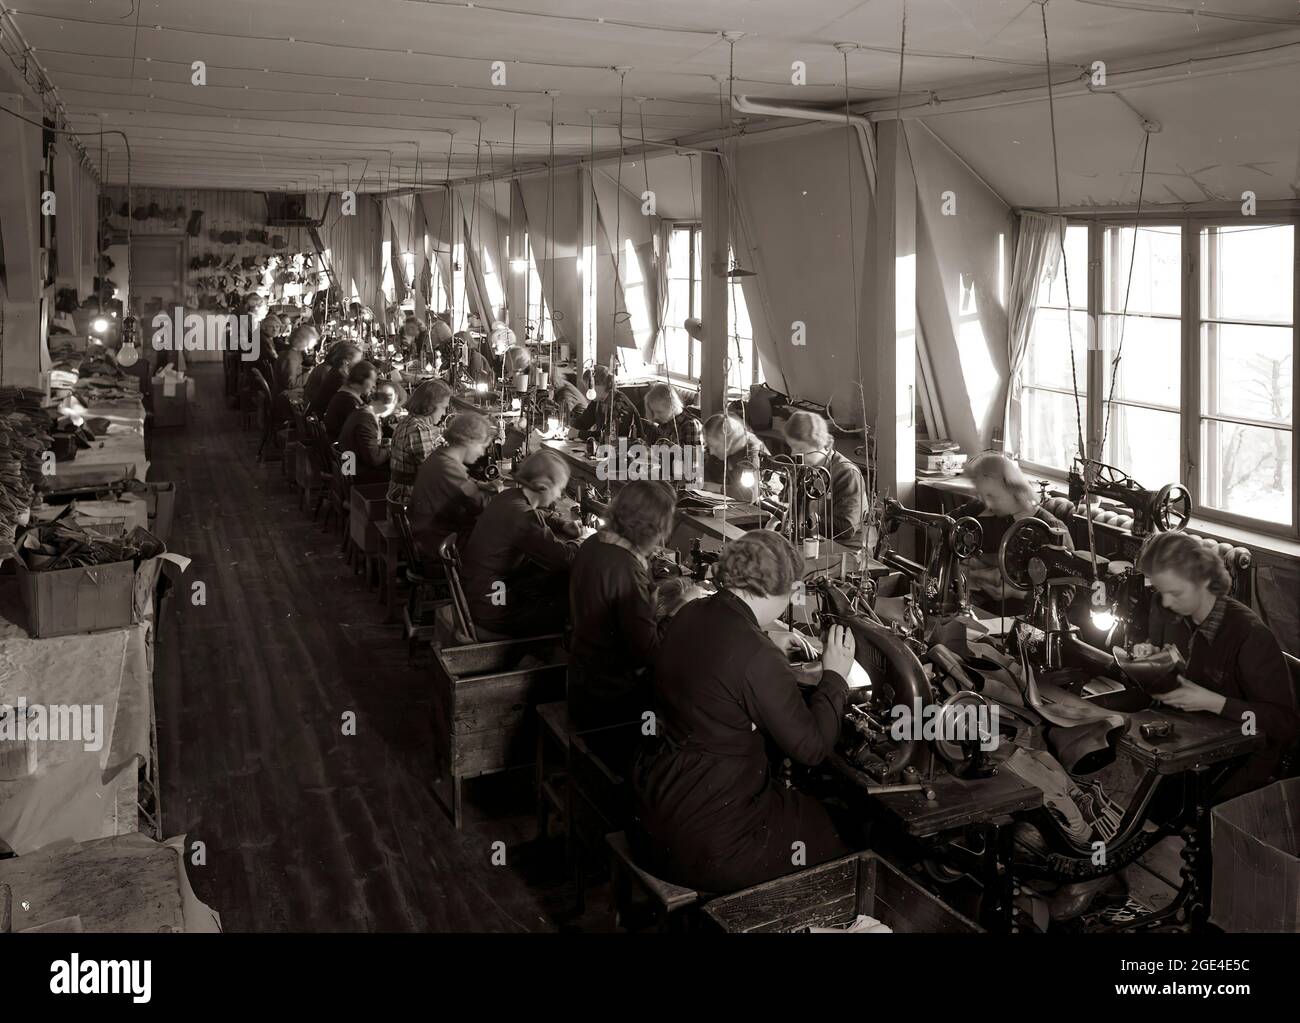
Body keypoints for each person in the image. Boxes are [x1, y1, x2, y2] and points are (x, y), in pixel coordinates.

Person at [631, 530, 860, 893]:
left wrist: (765, 639)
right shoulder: (757, 656)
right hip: (710, 840)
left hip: (656, 809)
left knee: (799, 809)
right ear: (777, 590)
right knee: (836, 832)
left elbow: (718, 653)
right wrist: (835, 676)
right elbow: (812, 749)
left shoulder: (689, 612)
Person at [1135, 532, 1299, 800]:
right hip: (1188, 736)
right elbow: (1170, 656)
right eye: (1160, 591)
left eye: (1174, 592)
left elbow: (1283, 725)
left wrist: (1215, 702)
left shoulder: (1249, 635)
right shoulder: (1169, 607)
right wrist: (1152, 656)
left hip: (1240, 759)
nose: (1165, 602)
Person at [567, 481, 677, 730]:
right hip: (611, 702)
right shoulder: (626, 569)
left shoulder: (593, 543)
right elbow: (648, 654)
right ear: (651, 527)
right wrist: (679, 606)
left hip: (582, 684)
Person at [460, 449, 582, 637]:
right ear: (542, 487)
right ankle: (541, 657)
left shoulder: (508, 496)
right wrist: (581, 540)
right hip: (494, 607)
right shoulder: (523, 517)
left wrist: (562, 523)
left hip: (480, 593)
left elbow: (537, 514)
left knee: (547, 581)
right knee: (569, 601)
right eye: (559, 489)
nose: (559, 496)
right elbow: (564, 559)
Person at [953, 451, 1073, 612]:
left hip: (1024, 618)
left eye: (992, 497)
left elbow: (1064, 595)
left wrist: (1017, 592)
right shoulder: (982, 509)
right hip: (980, 612)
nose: (987, 504)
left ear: (1014, 489)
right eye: (982, 496)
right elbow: (944, 526)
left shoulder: (1051, 528)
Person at [406, 411, 497, 558]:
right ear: (469, 441)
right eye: (482, 446)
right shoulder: (449, 468)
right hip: (438, 543)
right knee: (501, 542)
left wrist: (480, 484)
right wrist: (504, 499)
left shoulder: (440, 456)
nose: (482, 453)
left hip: (426, 532)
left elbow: (460, 485)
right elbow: (478, 504)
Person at [782, 410, 866, 542]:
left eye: (800, 449)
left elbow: (846, 528)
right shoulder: (805, 469)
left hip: (846, 549)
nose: (793, 454)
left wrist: (806, 520)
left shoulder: (846, 473)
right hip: (812, 540)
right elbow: (788, 503)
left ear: (824, 445)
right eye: (792, 448)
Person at [387, 379, 453, 511]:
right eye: (444, 408)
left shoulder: (408, 420)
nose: (444, 414)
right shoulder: (419, 429)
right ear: (430, 406)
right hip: (410, 506)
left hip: (400, 500)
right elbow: (435, 474)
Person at [337, 382, 397, 487]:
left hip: (351, 466)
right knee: (400, 476)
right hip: (357, 473)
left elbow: (364, 443)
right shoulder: (367, 421)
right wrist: (390, 450)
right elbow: (374, 459)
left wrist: (383, 442)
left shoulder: (362, 411)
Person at [702, 412, 769, 504]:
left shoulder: (751, 451)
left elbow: (749, 495)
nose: (712, 452)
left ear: (730, 441)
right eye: (709, 446)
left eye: (715, 447)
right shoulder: (720, 451)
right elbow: (705, 478)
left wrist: (716, 488)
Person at [571, 366, 640, 442]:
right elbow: (583, 422)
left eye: (589, 387)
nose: (588, 391)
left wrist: (579, 434)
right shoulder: (598, 401)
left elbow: (609, 436)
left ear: (600, 385)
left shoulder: (619, 406)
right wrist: (573, 429)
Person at [323, 360, 377, 440]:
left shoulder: (346, 393)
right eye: (372, 380)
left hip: (339, 443)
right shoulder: (348, 401)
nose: (374, 385)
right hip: (343, 448)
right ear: (361, 379)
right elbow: (362, 431)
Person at [305, 342, 362, 418]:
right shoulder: (339, 378)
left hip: (316, 417)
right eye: (357, 361)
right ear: (346, 362)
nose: (360, 365)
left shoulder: (334, 372)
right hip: (321, 420)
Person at [276, 323, 319, 396]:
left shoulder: (293, 352)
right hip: (287, 396)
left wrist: (307, 369)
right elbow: (291, 384)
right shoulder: (291, 357)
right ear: (303, 340)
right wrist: (309, 373)